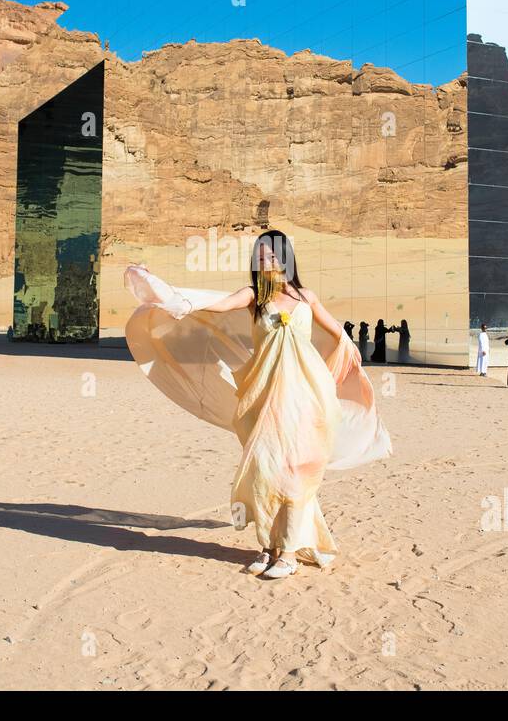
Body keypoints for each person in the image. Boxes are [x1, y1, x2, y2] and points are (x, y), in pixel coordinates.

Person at [123, 230, 391, 581]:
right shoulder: (253, 297)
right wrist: (160, 289)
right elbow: (212, 303)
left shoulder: (306, 297)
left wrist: (349, 365)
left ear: (286, 259)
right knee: (264, 469)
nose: (265, 261)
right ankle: (267, 546)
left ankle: (289, 551)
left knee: (296, 473)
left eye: (272, 255)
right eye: (260, 257)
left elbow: (338, 334)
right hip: (262, 397)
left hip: (305, 399)